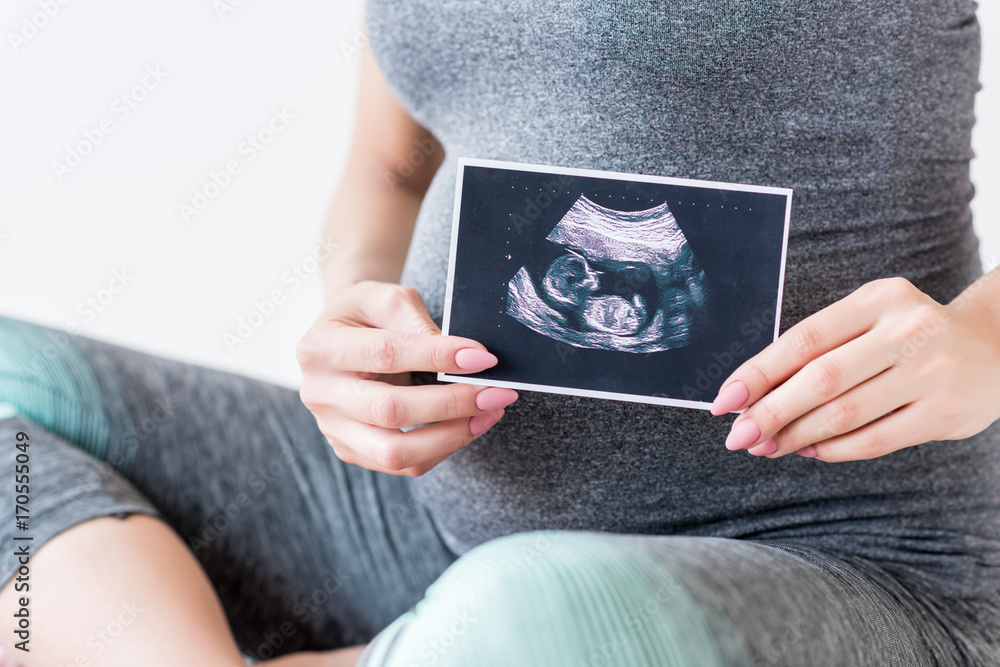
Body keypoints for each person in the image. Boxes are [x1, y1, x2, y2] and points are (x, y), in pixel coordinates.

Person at [3, 1, 1000, 665]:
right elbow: (390, 169)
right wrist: (358, 310)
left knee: (531, 609)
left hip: (845, 557)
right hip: (415, 522)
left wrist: (984, 345)